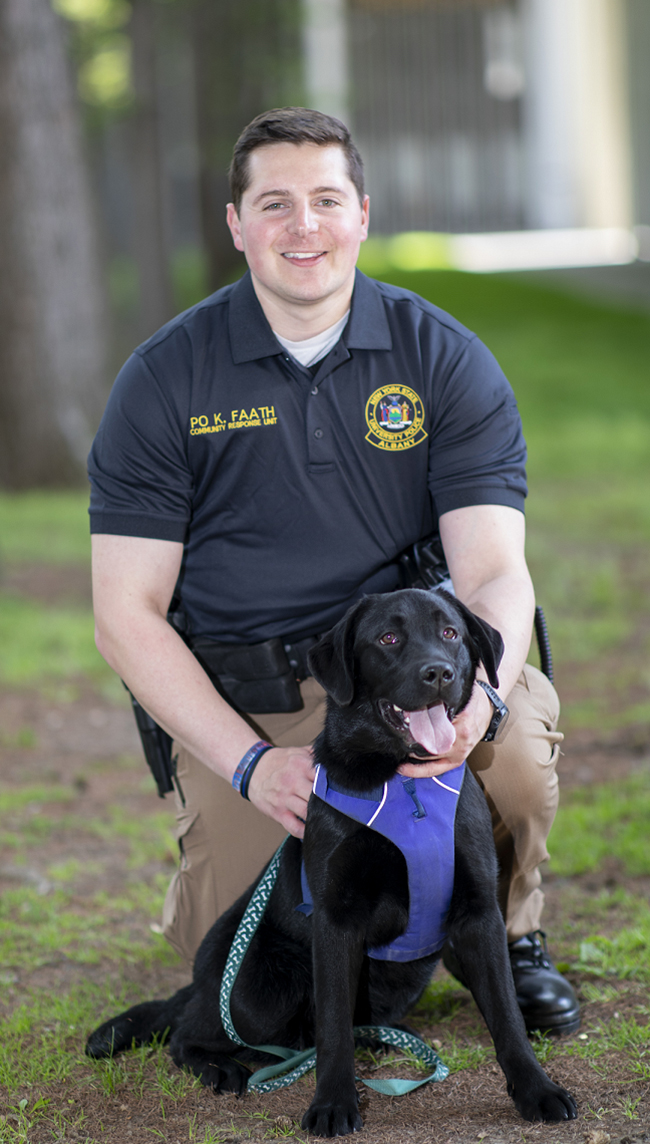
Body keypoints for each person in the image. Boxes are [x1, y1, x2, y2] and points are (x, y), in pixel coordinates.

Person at [88, 107, 579, 1035]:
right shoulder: (163, 380)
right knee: (236, 965)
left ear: (363, 213)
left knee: (507, 754)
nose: (302, 226)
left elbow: (493, 574)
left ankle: (509, 935)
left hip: (407, 665)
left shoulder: (443, 358)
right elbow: (127, 615)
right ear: (235, 224)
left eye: (325, 199)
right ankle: (349, 894)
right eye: (274, 203)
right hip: (253, 696)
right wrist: (249, 765)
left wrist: (485, 697)